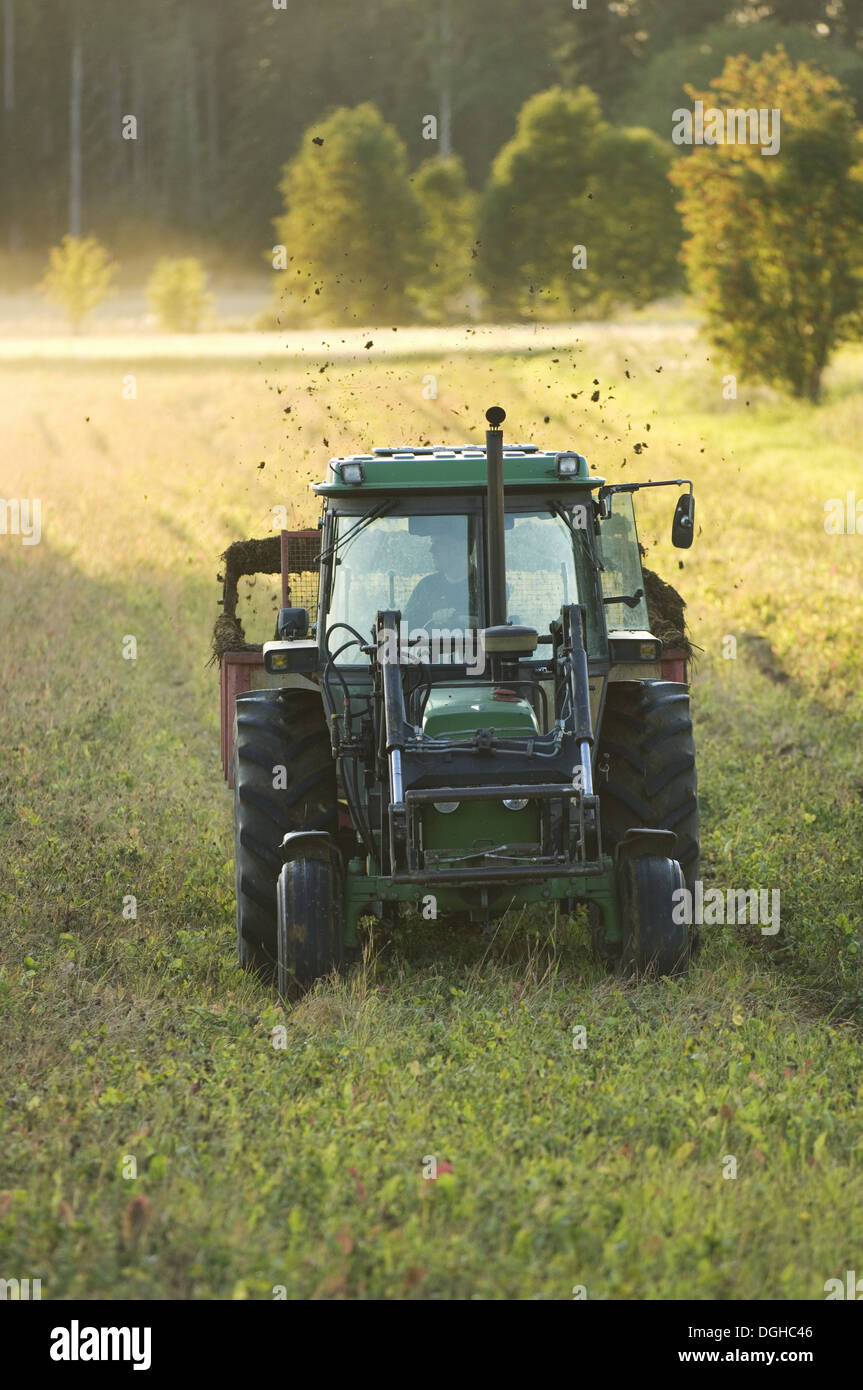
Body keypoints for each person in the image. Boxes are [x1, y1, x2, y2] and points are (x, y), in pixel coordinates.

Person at [403, 530, 472, 628]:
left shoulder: (486, 586)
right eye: (432, 543)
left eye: (438, 543)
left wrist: (460, 618)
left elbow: (497, 626)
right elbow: (406, 627)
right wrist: (432, 618)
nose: (431, 550)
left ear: (461, 548)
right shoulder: (426, 587)